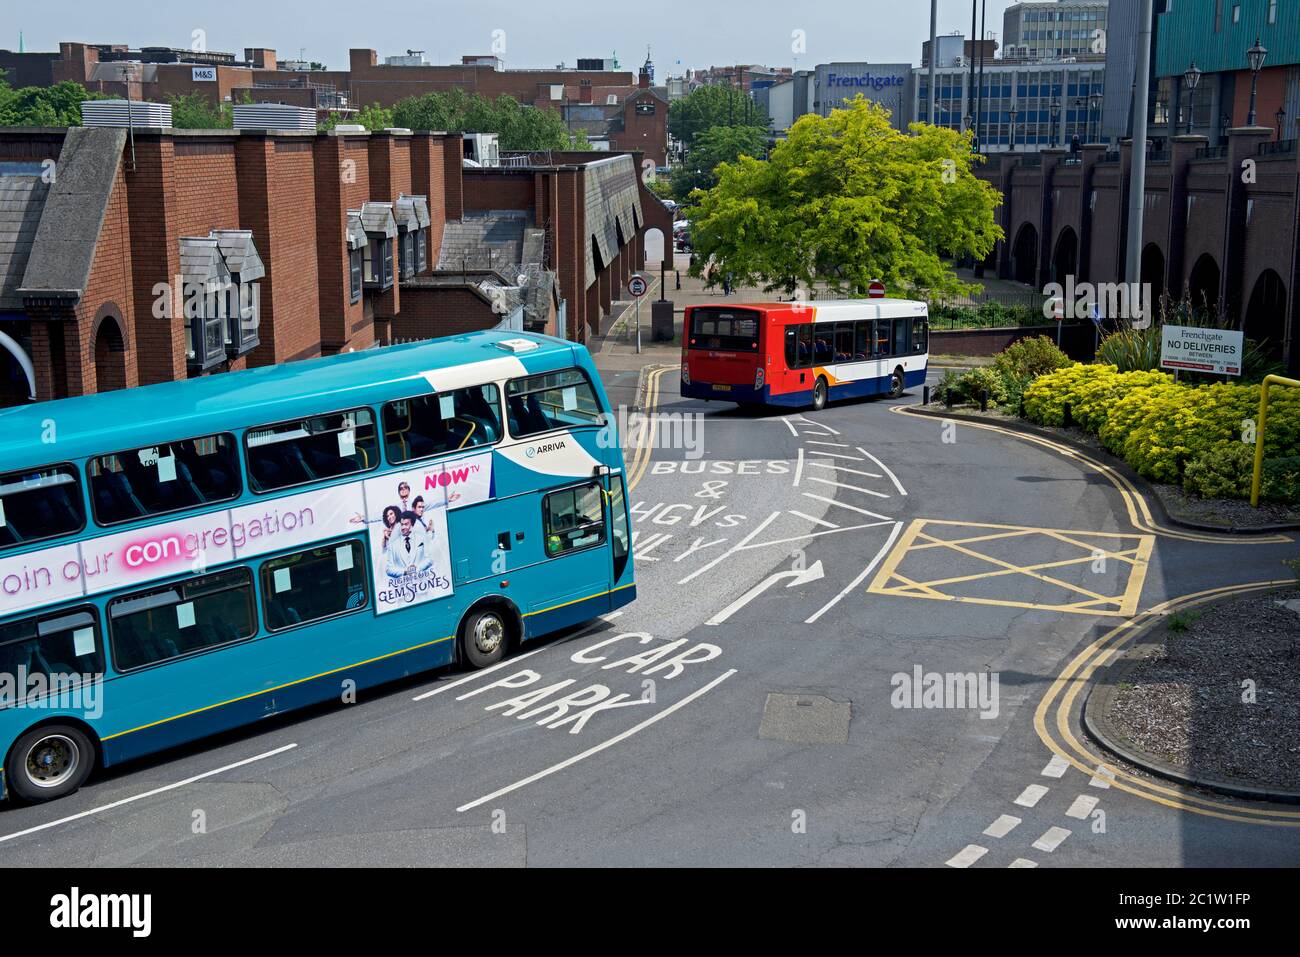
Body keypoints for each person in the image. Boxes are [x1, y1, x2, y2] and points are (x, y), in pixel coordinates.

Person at [385, 512, 432, 580]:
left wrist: (417, 569)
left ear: (412, 525)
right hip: (402, 587)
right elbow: (389, 569)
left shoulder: (421, 538)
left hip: (422, 583)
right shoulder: (393, 545)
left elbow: (429, 559)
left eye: (406, 524)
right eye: (402, 524)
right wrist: (405, 572)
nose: (403, 527)